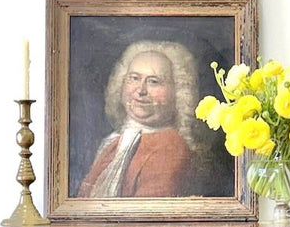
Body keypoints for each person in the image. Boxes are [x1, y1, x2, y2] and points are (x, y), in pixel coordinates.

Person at [76, 41, 200, 199]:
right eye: (134, 78)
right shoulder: (114, 142)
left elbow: (146, 214)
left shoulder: (170, 146)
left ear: (178, 92)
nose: (141, 90)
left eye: (153, 81)